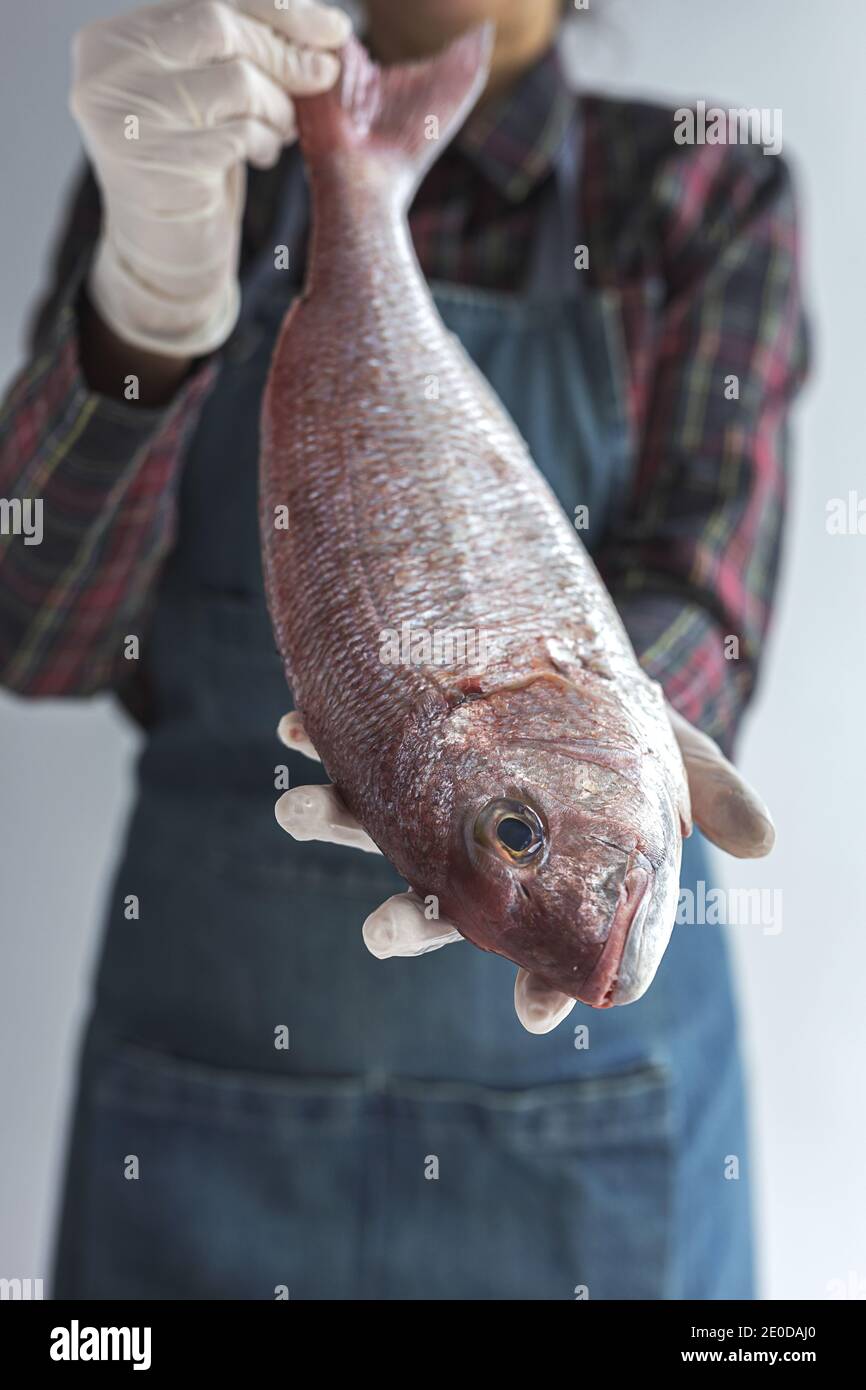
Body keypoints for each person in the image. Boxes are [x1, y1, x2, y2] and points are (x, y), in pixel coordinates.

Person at [0, 0, 807, 1300]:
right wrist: (142, 311)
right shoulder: (187, 144)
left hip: (595, 1135)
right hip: (206, 1101)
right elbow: (36, 636)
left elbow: (704, 584)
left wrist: (639, 714)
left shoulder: (697, 189)